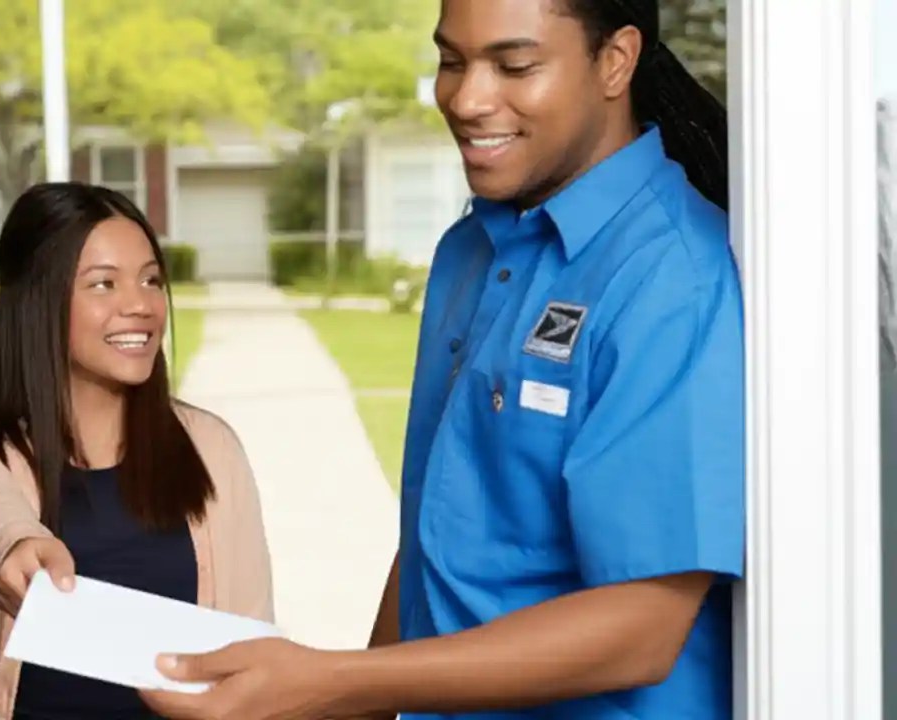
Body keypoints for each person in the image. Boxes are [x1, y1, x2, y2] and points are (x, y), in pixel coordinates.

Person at [141, 0, 742, 718]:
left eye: (514, 65)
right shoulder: (467, 253)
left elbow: (642, 627)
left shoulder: (673, 275)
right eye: (452, 61)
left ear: (615, 61)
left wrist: (330, 680)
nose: (467, 98)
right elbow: (434, 539)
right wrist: (348, 705)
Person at [0, 182, 274, 719]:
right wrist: (16, 545)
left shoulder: (212, 449)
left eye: (150, 280)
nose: (140, 305)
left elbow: (254, 652)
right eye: (103, 284)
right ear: (41, 301)